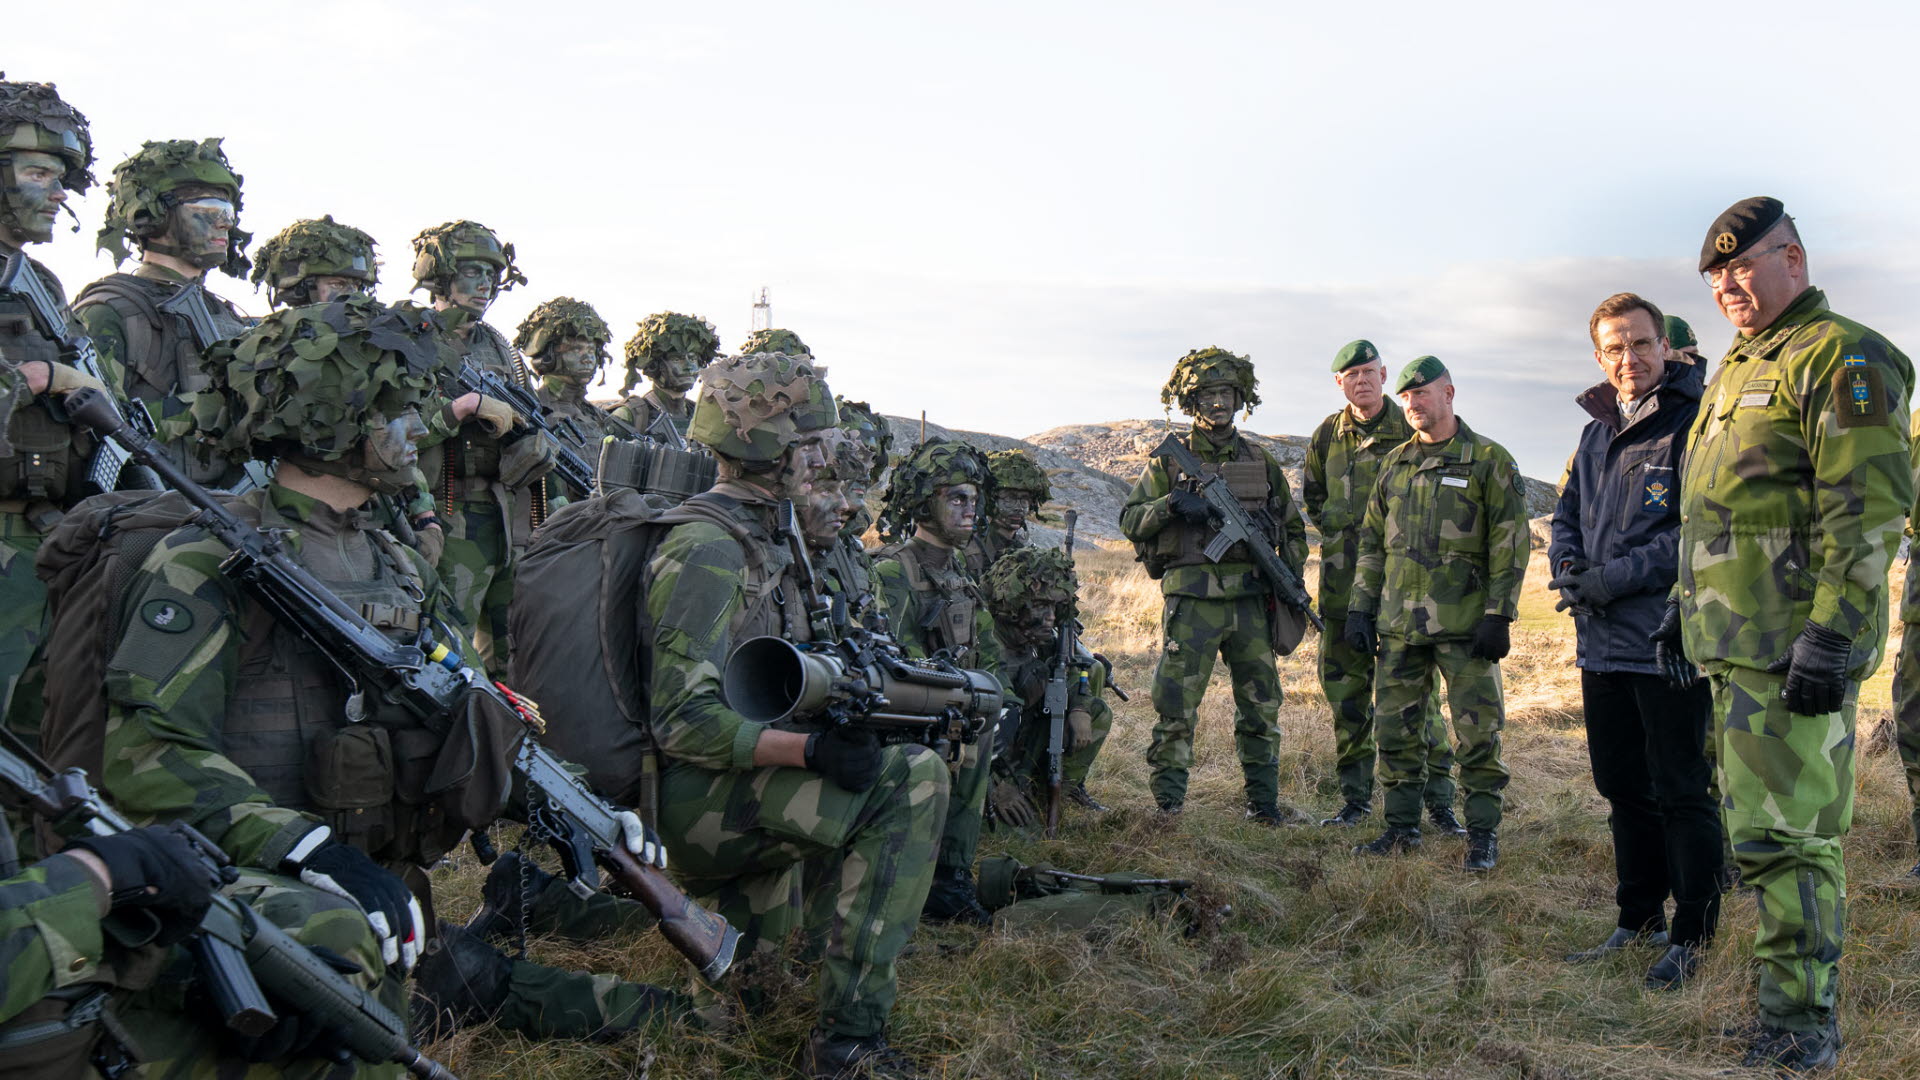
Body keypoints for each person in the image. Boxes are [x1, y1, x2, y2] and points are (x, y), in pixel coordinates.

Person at [98, 296, 677, 1044]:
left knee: (656, 1017)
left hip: (391, 899)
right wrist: (305, 852)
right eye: (399, 412)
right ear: (333, 421)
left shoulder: (394, 560)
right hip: (268, 911)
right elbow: (145, 756)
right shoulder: (210, 559)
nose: (421, 431)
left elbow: (473, 710)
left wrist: (587, 809)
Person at [1657, 197, 1912, 1072]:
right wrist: (1679, 610)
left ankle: (1804, 1027)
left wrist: (1833, 636)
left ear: (1792, 260)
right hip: (1733, 641)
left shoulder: (1845, 355)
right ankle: (1781, 1008)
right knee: (1754, 838)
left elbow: (1869, 508)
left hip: (1792, 647)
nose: (1729, 283)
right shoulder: (1736, 369)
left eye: (1743, 264)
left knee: (1792, 839)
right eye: (1716, 275)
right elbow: (1719, 510)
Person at [644, 352, 947, 1078]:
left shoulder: (777, 535)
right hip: (691, 802)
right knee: (914, 781)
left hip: (742, 784)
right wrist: (806, 755)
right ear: (763, 445)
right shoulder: (709, 547)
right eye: (808, 442)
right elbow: (681, 721)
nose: (823, 458)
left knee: (746, 1004)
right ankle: (848, 1043)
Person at [1547, 293, 1721, 989]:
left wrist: (1611, 579)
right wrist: (1566, 567)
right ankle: (1639, 917)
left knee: (1681, 787)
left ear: (1666, 348)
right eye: (1614, 348)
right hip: (1601, 645)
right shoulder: (1595, 433)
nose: (1629, 359)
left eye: (1641, 345)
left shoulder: (1694, 424)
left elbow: (1697, 530)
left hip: (1666, 638)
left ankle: (1693, 934)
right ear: (1599, 356)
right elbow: (1566, 513)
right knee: (1621, 786)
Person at [1345, 356, 1527, 871]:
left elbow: (1510, 545)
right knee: (1395, 732)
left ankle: (1483, 835)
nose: (1413, 404)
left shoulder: (1489, 459)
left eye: (1422, 393)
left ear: (1449, 393)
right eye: (1405, 397)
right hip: (1400, 627)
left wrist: (1500, 614)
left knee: (1477, 733)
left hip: (1465, 627)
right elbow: (1373, 545)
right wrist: (1361, 608)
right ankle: (1401, 828)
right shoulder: (1395, 464)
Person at [1117, 347, 1310, 823]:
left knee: (1261, 709)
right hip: (1194, 604)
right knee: (1177, 708)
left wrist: (1290, 577)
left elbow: (1293, 530)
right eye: (1207, 394)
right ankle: (1168, 808)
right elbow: (1130, 519)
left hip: (1250, 603)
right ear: (1191, 401)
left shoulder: (1259, 461)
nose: (1218, 403)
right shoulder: (1169, 464)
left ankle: (1264, 806)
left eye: (1226, 393)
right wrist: (1172, 505)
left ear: (1240, 398)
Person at [1304, 340, 1460, 832]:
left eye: (1370, 371)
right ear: (1339, 383)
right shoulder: (1327, 435)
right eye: (1351, 374)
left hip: (1403, 599)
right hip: (1339, 597)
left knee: (1420, 708)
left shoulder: (1410, 427)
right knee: (1347, 703)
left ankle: (1439, 803)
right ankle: (1355, 802)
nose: (1362, 380)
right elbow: (1314, 500)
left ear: (1384, 374)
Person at [0, 78, 112, 748]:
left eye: (62, 177)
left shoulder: (38, 283)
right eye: (39, 172)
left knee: (45, 737)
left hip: (45, 538)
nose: (58, 194)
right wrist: (34, 377)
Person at [249, 215, 443, 567]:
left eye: (358, 288)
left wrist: (423, 513)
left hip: (366, 516)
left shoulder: (371, 351)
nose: (352, 299)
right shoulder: (262, 351)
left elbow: (401, 436)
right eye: (338, 284)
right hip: (288, 517)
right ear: (299, 287)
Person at [405, 219, 554, 671]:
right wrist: (462, 408)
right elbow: (396, 430)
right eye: (472, 271)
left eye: (491, 274)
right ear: (441, 273)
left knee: (515, 643)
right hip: (444, 510)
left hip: (504, 511)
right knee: (446, 638)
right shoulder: (414, 336)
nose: (485, 283)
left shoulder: (499, 347)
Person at [873, 438, 1008, 924]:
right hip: (910, 713)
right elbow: (893, 660)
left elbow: (989, 652)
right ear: (924, 504)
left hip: (958, 708)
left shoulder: (960, 573)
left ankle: (949, 877)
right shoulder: (893, 571)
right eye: (956, 498)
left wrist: (999, 701)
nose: (970, 509)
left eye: (974, 499)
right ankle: (930, 881)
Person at [72, 138, 251, 490]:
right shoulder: (111, 309)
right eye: (210, 210)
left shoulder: (225, 315)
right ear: (155, 215)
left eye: (228, 213)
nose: (224, 225)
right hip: (149, 511)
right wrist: (208, 407)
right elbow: (94, 426)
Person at [981, 545, 1114, 818]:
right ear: (1012, 603)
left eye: (1054, 606)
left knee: (1097, 711)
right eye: (1041, 605)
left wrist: (1078, 708)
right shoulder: (984, 650)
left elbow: (1074, 674)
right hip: (989, 767)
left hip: (1026, 747)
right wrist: (993, 787)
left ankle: (1051, 794)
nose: (1051, 617)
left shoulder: (1039, 640)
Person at [514, 295, 625, 502]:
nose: (588, 357)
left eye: (592, 350)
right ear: (548, 355)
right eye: (576, 349)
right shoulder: (531, 409)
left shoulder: (597, 417)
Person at [610, 311, 719, 444]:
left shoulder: (702, 417)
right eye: (677, 359)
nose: (689, 366)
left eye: (692, 358)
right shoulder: (632, 416)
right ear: (654, 366)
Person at [963, 449, 1048, 579]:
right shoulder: (968, 551)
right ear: (990, 500)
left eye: (1024, 500)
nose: (1018, 508)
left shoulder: (1028, 551)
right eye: (1009, 499)